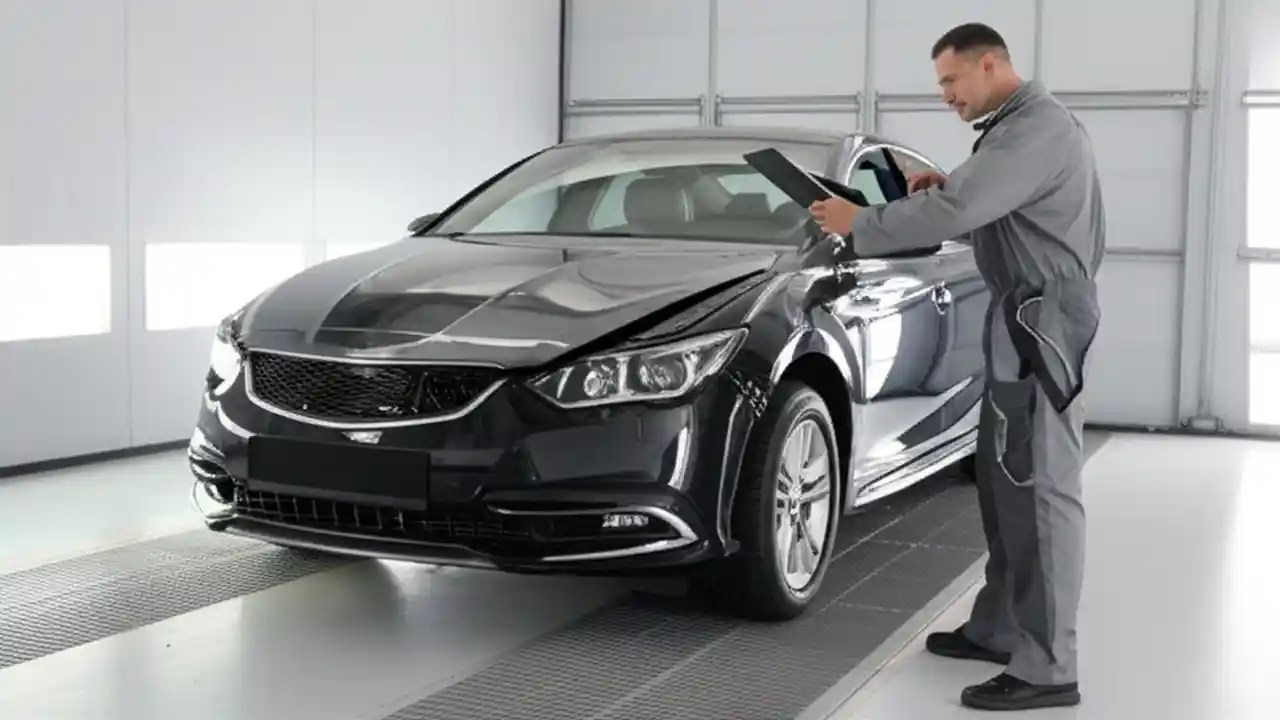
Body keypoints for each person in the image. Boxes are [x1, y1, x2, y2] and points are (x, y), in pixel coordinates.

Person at [810, 23, 1104, 712]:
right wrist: (947, 187)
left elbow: (965, 208)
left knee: (1041, 491)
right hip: (1021, 317)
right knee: (1005, 485)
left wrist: (860, 223)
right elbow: (994, 211)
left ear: (990, 64)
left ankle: (1050, 668)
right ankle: (1001, 627)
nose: (945, 94)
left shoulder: (1036, 128)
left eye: (951, 80)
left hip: (1043, 321)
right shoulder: (1012, 131)